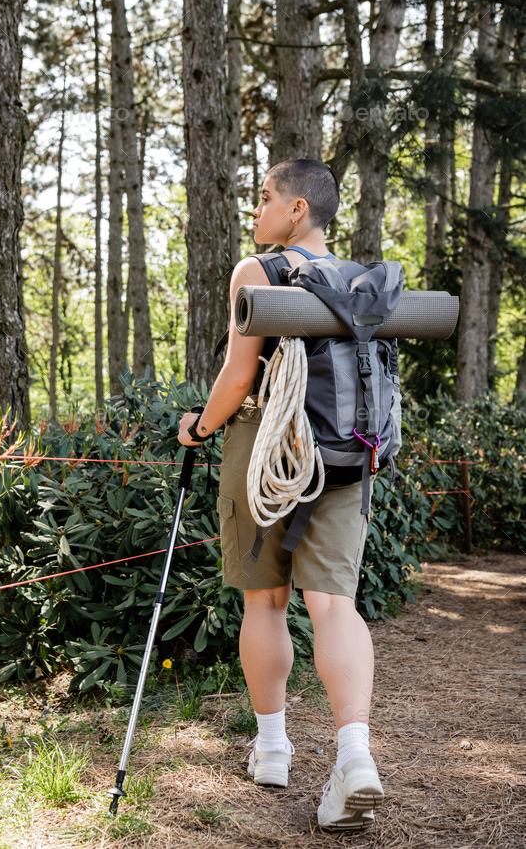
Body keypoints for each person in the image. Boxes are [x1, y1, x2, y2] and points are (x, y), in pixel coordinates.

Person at [177, 158, 384, 832]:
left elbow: (238, 377)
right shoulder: (364, 281)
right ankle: (354, 754)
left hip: (266, 453)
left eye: (266, 197)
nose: (258, 209)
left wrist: (198, 427)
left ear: (298, 209)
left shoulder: (258, 271)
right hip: (347, 457)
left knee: (265, 601)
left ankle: (271, 747)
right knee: (334, 604)